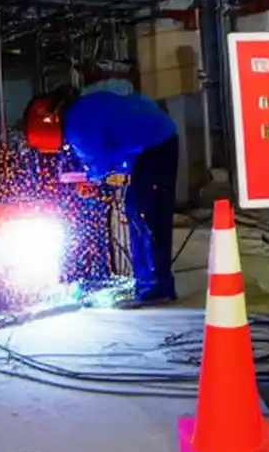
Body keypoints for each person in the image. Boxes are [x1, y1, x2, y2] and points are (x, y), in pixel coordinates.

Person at [23, 83, 179, 309]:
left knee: (146, 216)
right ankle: (149, 284)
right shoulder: (84, 106)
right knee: (139, 213)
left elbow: (98, 164)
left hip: (156, 146)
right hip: (156, 139)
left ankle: (157, 287)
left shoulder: (77, 125)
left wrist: (91, 179)